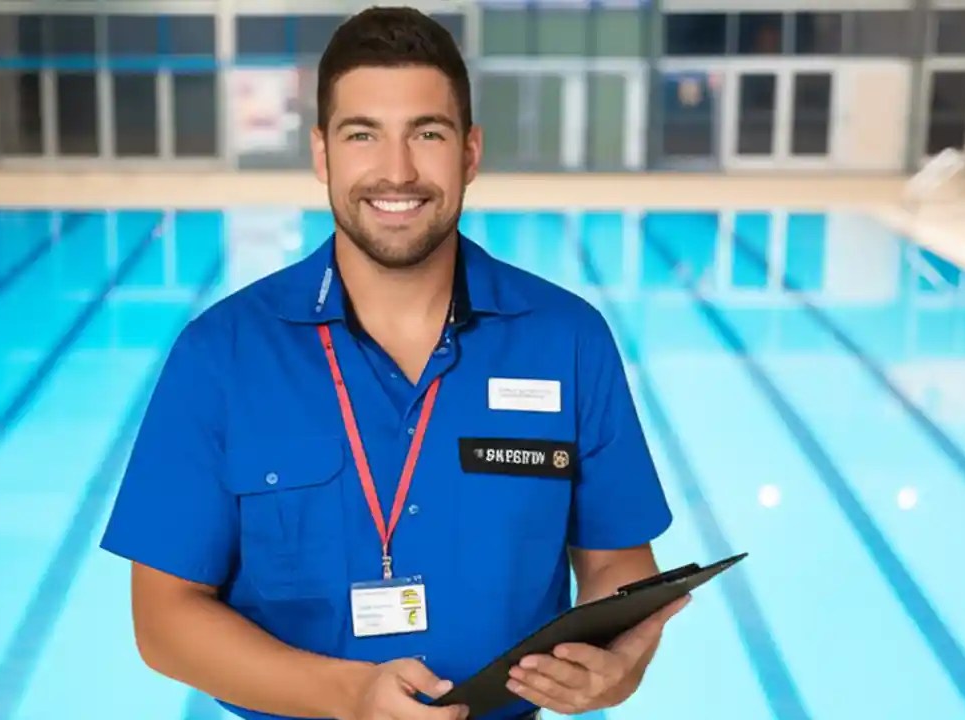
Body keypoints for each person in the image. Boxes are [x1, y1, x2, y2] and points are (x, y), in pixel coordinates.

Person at [99, 7, 683, 720]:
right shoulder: (222, 354)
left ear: (470, 152)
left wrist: (614, 663)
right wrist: (348, 694)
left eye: (427, 133)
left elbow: (617, 559)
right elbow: (164, 620)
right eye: (363, 135)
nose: (398, 171)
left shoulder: (566, 341)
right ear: (322, 154)